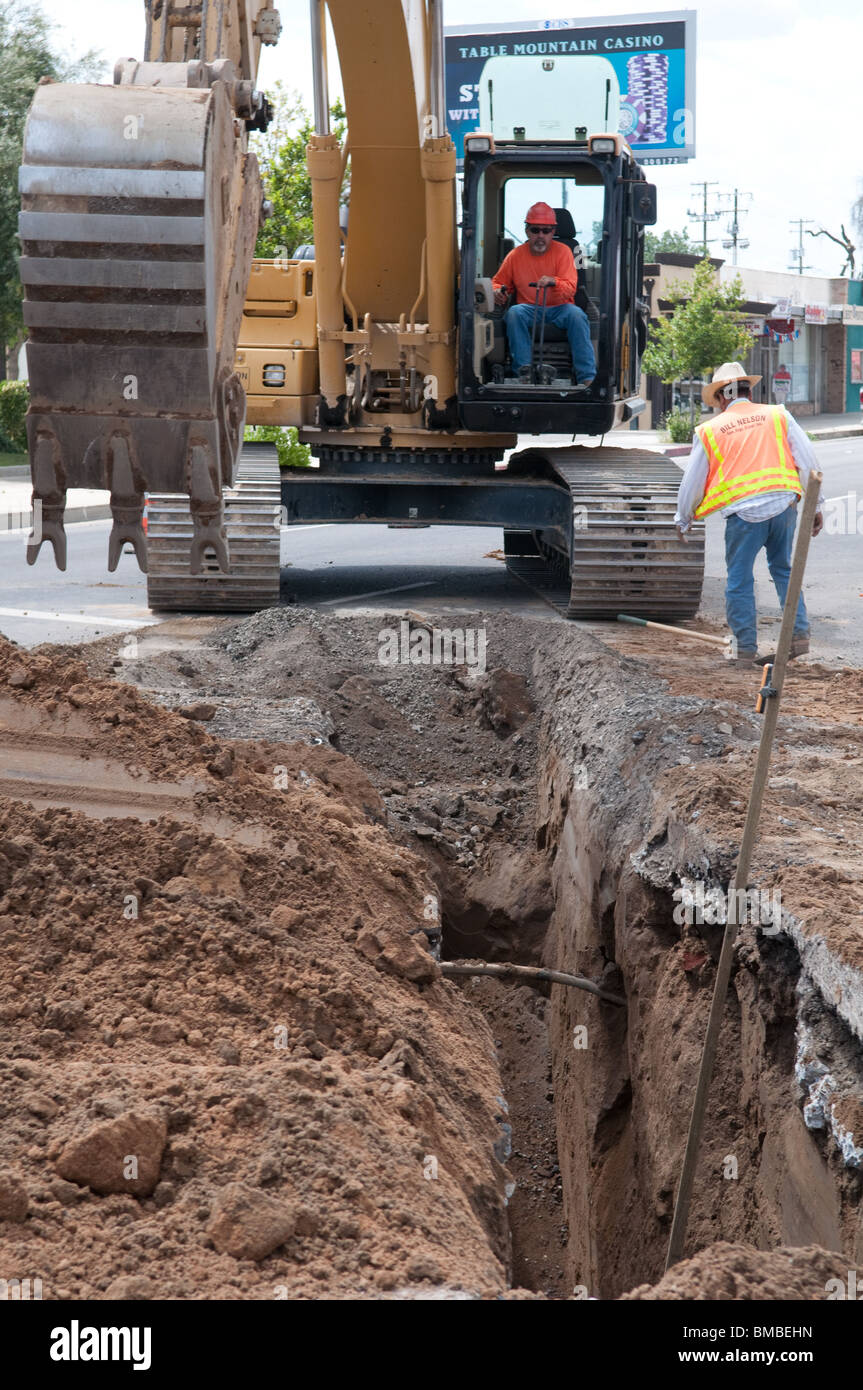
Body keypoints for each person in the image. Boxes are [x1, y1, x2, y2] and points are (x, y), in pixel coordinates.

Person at [675, 362, 824, 667]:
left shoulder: (710, 430)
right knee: (783, 570)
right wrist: (816, 505)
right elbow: (808, 458)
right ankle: (799, 635)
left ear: (720, 398)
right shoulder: (777, 414)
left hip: (744, 514)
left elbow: (692, 480)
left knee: (740, 579)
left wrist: (683, 518)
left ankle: (744, 648)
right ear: (749, 390)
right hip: (784, 505)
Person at [492, 202, 596, 385]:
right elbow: (498, 283)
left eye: (546, 231)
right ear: (527, 231)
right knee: (514, 313)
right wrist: (496, 292)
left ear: (553, 231)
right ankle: (524, 373)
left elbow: (571, 287)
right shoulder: (515, 256)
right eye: (535, 230)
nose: (540, 235)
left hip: (561, 309)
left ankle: (587, 377)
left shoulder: (564, 252)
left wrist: (554, 281)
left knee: (577, 316)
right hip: (529, 309)